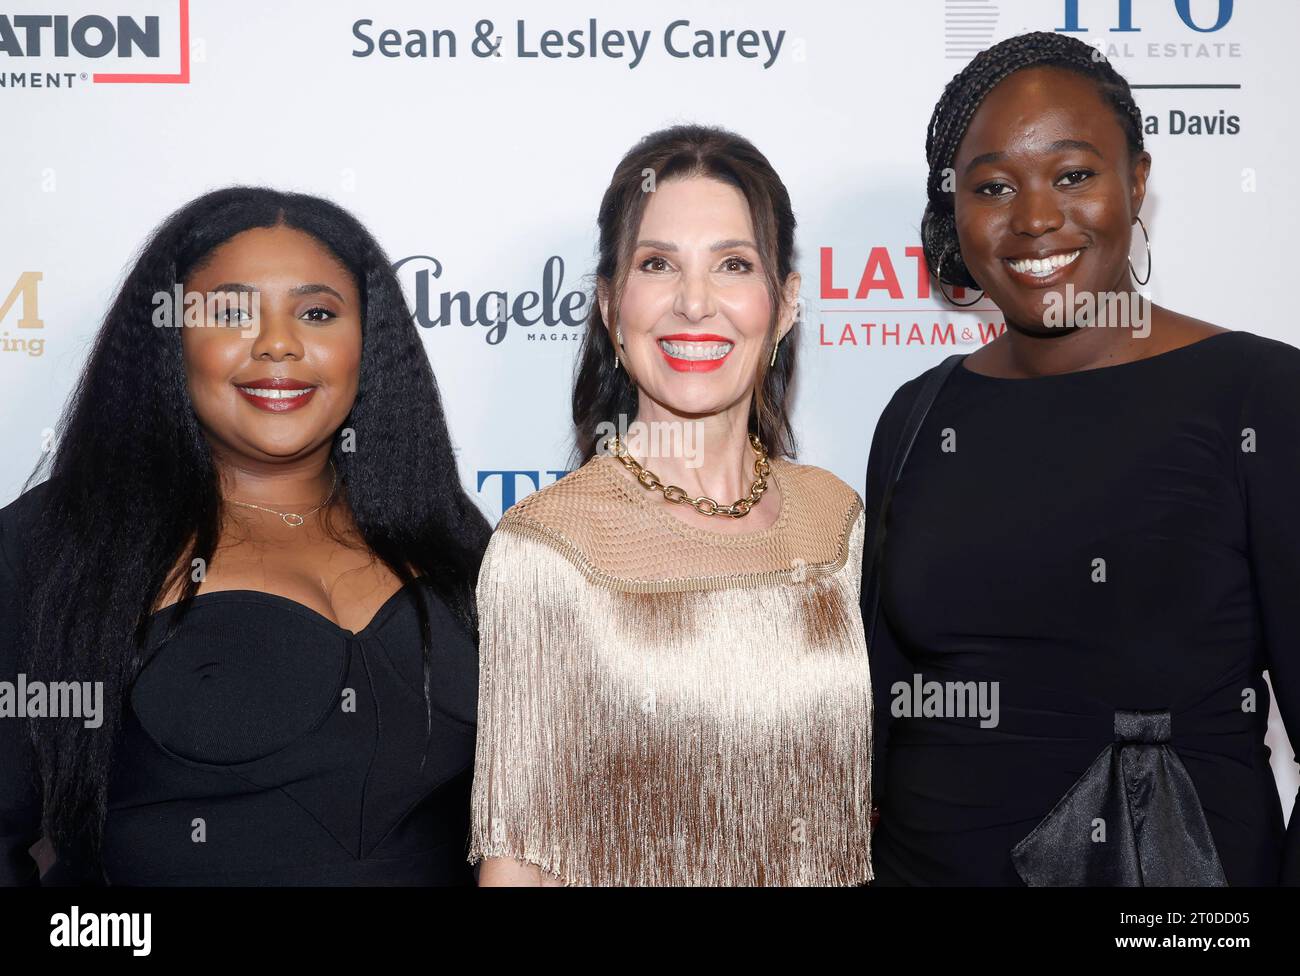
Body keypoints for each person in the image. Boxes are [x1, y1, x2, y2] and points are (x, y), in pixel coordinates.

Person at [866, 32, 1300, 885]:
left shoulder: (1262, 394)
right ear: (953, 210)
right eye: (993, 186)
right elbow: (882, 717)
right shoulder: (917, 415)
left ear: (1136, 181)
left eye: (1073, 175)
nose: (1034, 218)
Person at [0, 187, 490, 885]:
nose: (280, 343)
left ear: (369, 341)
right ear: (169, 337)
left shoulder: (443, 531)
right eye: (230, 313)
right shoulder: (58, 544)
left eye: (318, 313)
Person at [467, 125, 873, 886]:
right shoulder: (546, 551)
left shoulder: (838, 521)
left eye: (733, 264)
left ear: (784, 305)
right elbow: (517, 860)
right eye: (658, 264)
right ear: (611, 305)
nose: (694, 302)